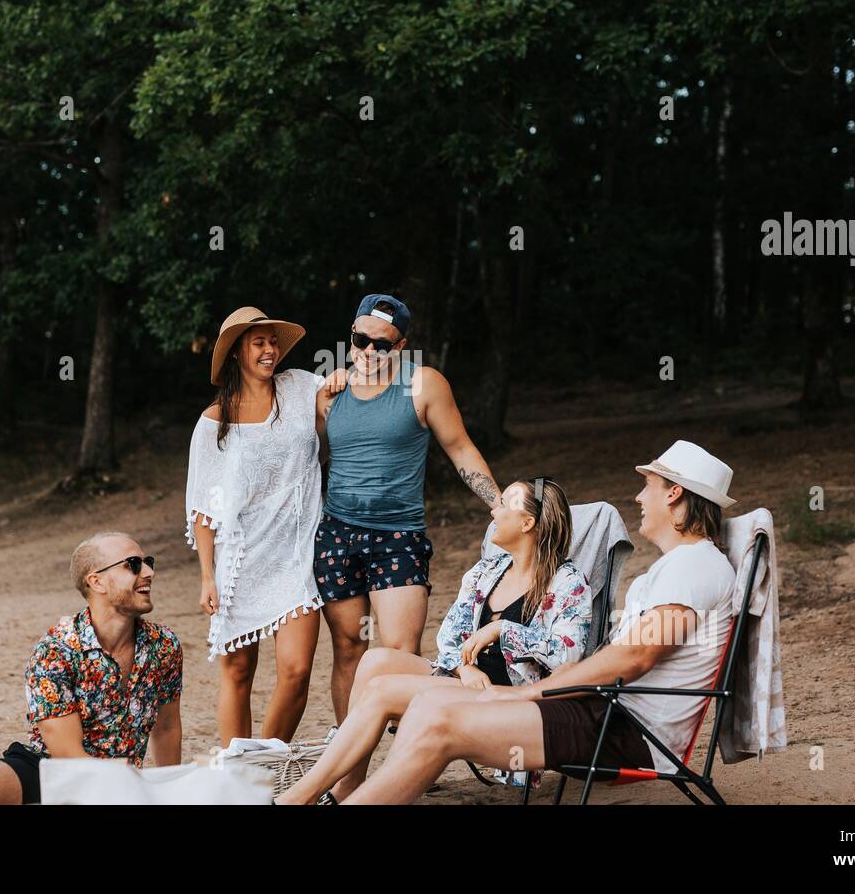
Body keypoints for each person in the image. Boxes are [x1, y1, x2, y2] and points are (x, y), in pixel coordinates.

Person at [331, 440, 739, 805]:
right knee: (428, 703)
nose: (637, 497)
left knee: (438, 718)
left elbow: (631, 658)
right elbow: (624, 657)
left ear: (674, 493)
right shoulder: (680, 566)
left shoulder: (694, 566)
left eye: (647, 486)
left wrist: (528, 694)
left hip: (624, 729)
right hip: (602, 709)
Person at [276, 478, 590, 804]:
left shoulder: (568, 583)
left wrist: (502, 630)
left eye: (505, 503)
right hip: (466, 682)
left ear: (528, 522)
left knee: (383, 691)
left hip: (511, 701)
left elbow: (569, 653)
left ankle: (297, 799)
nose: (494, 510)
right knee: (375, 661)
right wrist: (462, 670)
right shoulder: (488, 570)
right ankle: (348, 785)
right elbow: (451, 635)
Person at [316, 293, 502, 724]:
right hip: (337, 533)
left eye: (381, 345)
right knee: (347, 648)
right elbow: (314, 459)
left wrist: (499, 505)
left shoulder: (424, 384)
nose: (368, 352)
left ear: (400, 346)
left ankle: (412, 752)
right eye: (361, 340)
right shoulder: (328, 394)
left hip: (397, 536)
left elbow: (460, 449)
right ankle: (349, 764)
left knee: (399, 654)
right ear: (351, 335)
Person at [0, 531, 183, 804]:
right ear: (97, 582)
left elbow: (167, 728)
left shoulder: (164, 646)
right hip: (48, 769)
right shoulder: (56, 650)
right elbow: (69, 756)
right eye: (133, 565)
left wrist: (166, 794)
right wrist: (130, 793)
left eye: (149, 562)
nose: (148, 572)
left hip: (121, 783)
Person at [187, 306, 345, 745]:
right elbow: (204, 507)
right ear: (237, 352)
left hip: (298, 554)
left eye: (273, 341)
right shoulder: (214, 422)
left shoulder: (298, 388)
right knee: (238, 672)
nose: (270, 349)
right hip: (241, 558)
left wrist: (339, 380)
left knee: (295, 672)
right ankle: (237, 780)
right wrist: (206, 576)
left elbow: (337, 388)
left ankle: (262, 765)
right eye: (259, 342)